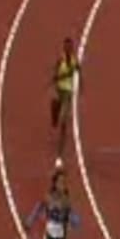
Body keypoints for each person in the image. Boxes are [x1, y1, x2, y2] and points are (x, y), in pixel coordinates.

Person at [51, 37, 83, 167]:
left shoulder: (75, 61)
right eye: (66, 47)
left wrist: (81, 86)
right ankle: (54, 117)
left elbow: (79, 72)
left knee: (63, 119)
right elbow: (55, 76)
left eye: (70, 47)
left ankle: (61, 142)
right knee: (55, 106)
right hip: (59, 90)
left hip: (68, 93)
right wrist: (65, 75)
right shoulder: (60, 60)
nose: (68, 49)